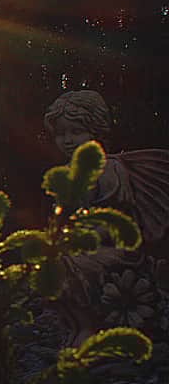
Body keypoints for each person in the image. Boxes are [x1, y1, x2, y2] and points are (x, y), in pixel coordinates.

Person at [42, 90, 169, 345]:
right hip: (81, 246)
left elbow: (120, 223)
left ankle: (91, 329)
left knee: (70, 262)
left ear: (95, 131)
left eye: (76, 132)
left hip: (118, 249)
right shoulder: (65, 173)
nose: (67, 140)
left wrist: (81, 237)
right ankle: (78, 326)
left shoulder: (108, 169)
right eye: (61, 133)